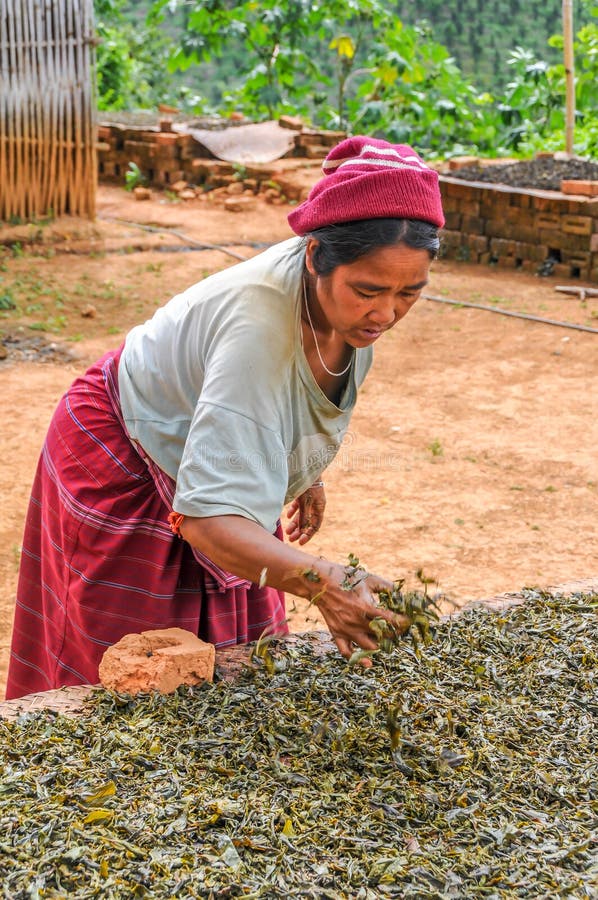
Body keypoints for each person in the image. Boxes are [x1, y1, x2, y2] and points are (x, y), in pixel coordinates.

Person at [6, 135, 444, 701]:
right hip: (127, 445)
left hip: (200, 435)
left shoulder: (347, 308)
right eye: (368, 290)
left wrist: (300, 466)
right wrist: (328, 582)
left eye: (410, 292)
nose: (386, 312)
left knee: (245, 649)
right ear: (313, 256)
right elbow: (208, 519)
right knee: (135, 668)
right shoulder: (257, 327)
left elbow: (286, 395)